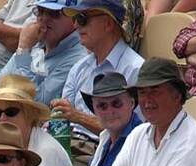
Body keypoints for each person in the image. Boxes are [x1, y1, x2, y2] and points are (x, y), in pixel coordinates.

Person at [58, 0, 143, 145]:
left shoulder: (136, 70)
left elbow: (134, 134)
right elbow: (62, 119)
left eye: (82, 19)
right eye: (75, 19)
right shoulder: (79, 67)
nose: (76, 25)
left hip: (106, 150)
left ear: (108, 24)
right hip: (70, 145)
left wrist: (78, 117)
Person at [0, 0, 83, 107]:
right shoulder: (35, 45)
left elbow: (32, 107)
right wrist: (4, 110)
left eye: (54, 13)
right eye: (40, 11)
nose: (43, 19)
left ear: (75, 19)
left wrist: (24, 50)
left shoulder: (77, 58)